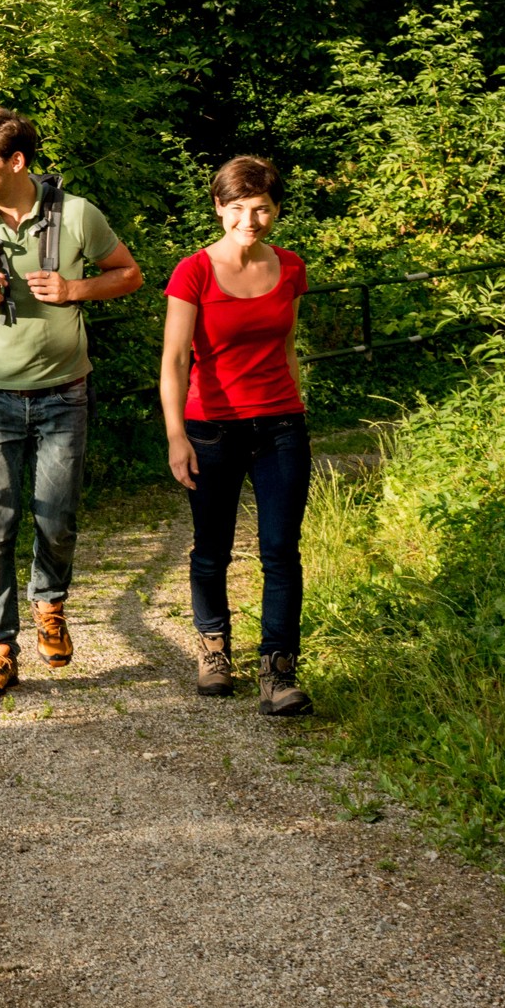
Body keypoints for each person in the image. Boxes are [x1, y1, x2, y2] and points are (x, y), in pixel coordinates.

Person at [0, 109, 145, 697]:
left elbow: (130, 275)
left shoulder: (77, 215)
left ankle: (50, 604)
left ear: (15, 161)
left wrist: (75, 289)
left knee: (55, 516)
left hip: (65, 392)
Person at [158, 154, 313, 716]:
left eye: (263, 209)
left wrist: (297, 408)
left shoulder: (291, 267)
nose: (252, 220)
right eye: (240, 208)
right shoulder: (193, 272)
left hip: (280, 426)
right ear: (220, 208)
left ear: (276, 211)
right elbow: (175, 360)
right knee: (212, 549)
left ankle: (278, 670)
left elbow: (288, 346)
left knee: (280, 550)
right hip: (210, 429)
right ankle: (214, 650)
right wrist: (177, 436)